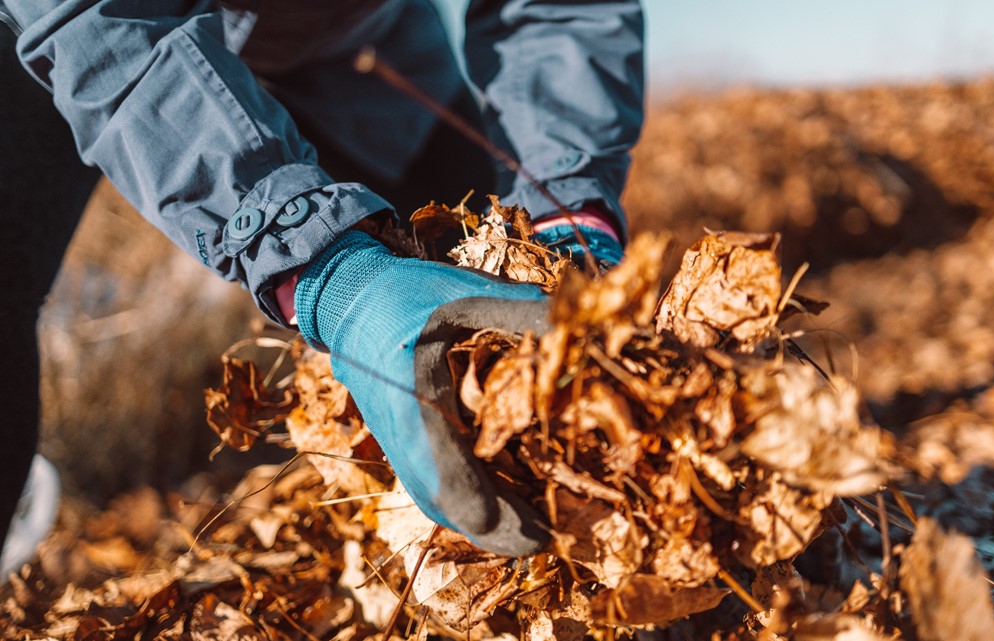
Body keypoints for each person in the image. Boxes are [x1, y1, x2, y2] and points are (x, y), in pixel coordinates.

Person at [0, 0, 644, 575]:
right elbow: (101, 25)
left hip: (353, 45)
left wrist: (567, 211)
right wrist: (331, 274)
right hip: (89, 31)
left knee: (467, 278)